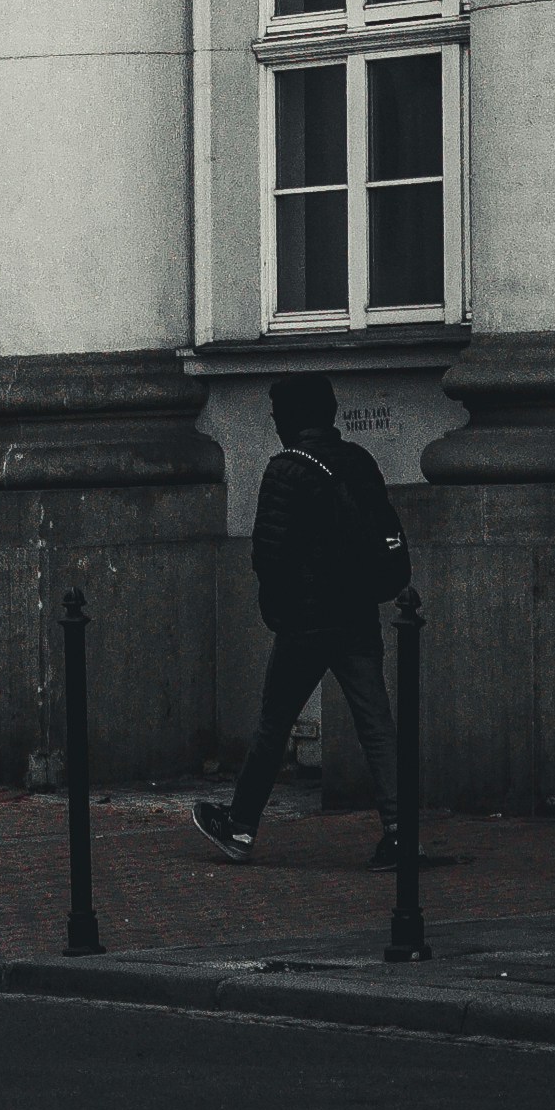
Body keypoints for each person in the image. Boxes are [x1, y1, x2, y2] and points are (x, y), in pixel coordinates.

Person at [192, 370, 411, 864]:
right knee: (376, 723)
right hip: (357, 615)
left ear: (291, 419)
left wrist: (280, 612)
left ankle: (241, 828)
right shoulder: (359, 460)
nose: (274, 424)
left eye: (277, 415)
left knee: (274, 725)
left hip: (306, 622)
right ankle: (401, 831)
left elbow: (270, 555)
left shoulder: (285, 470)